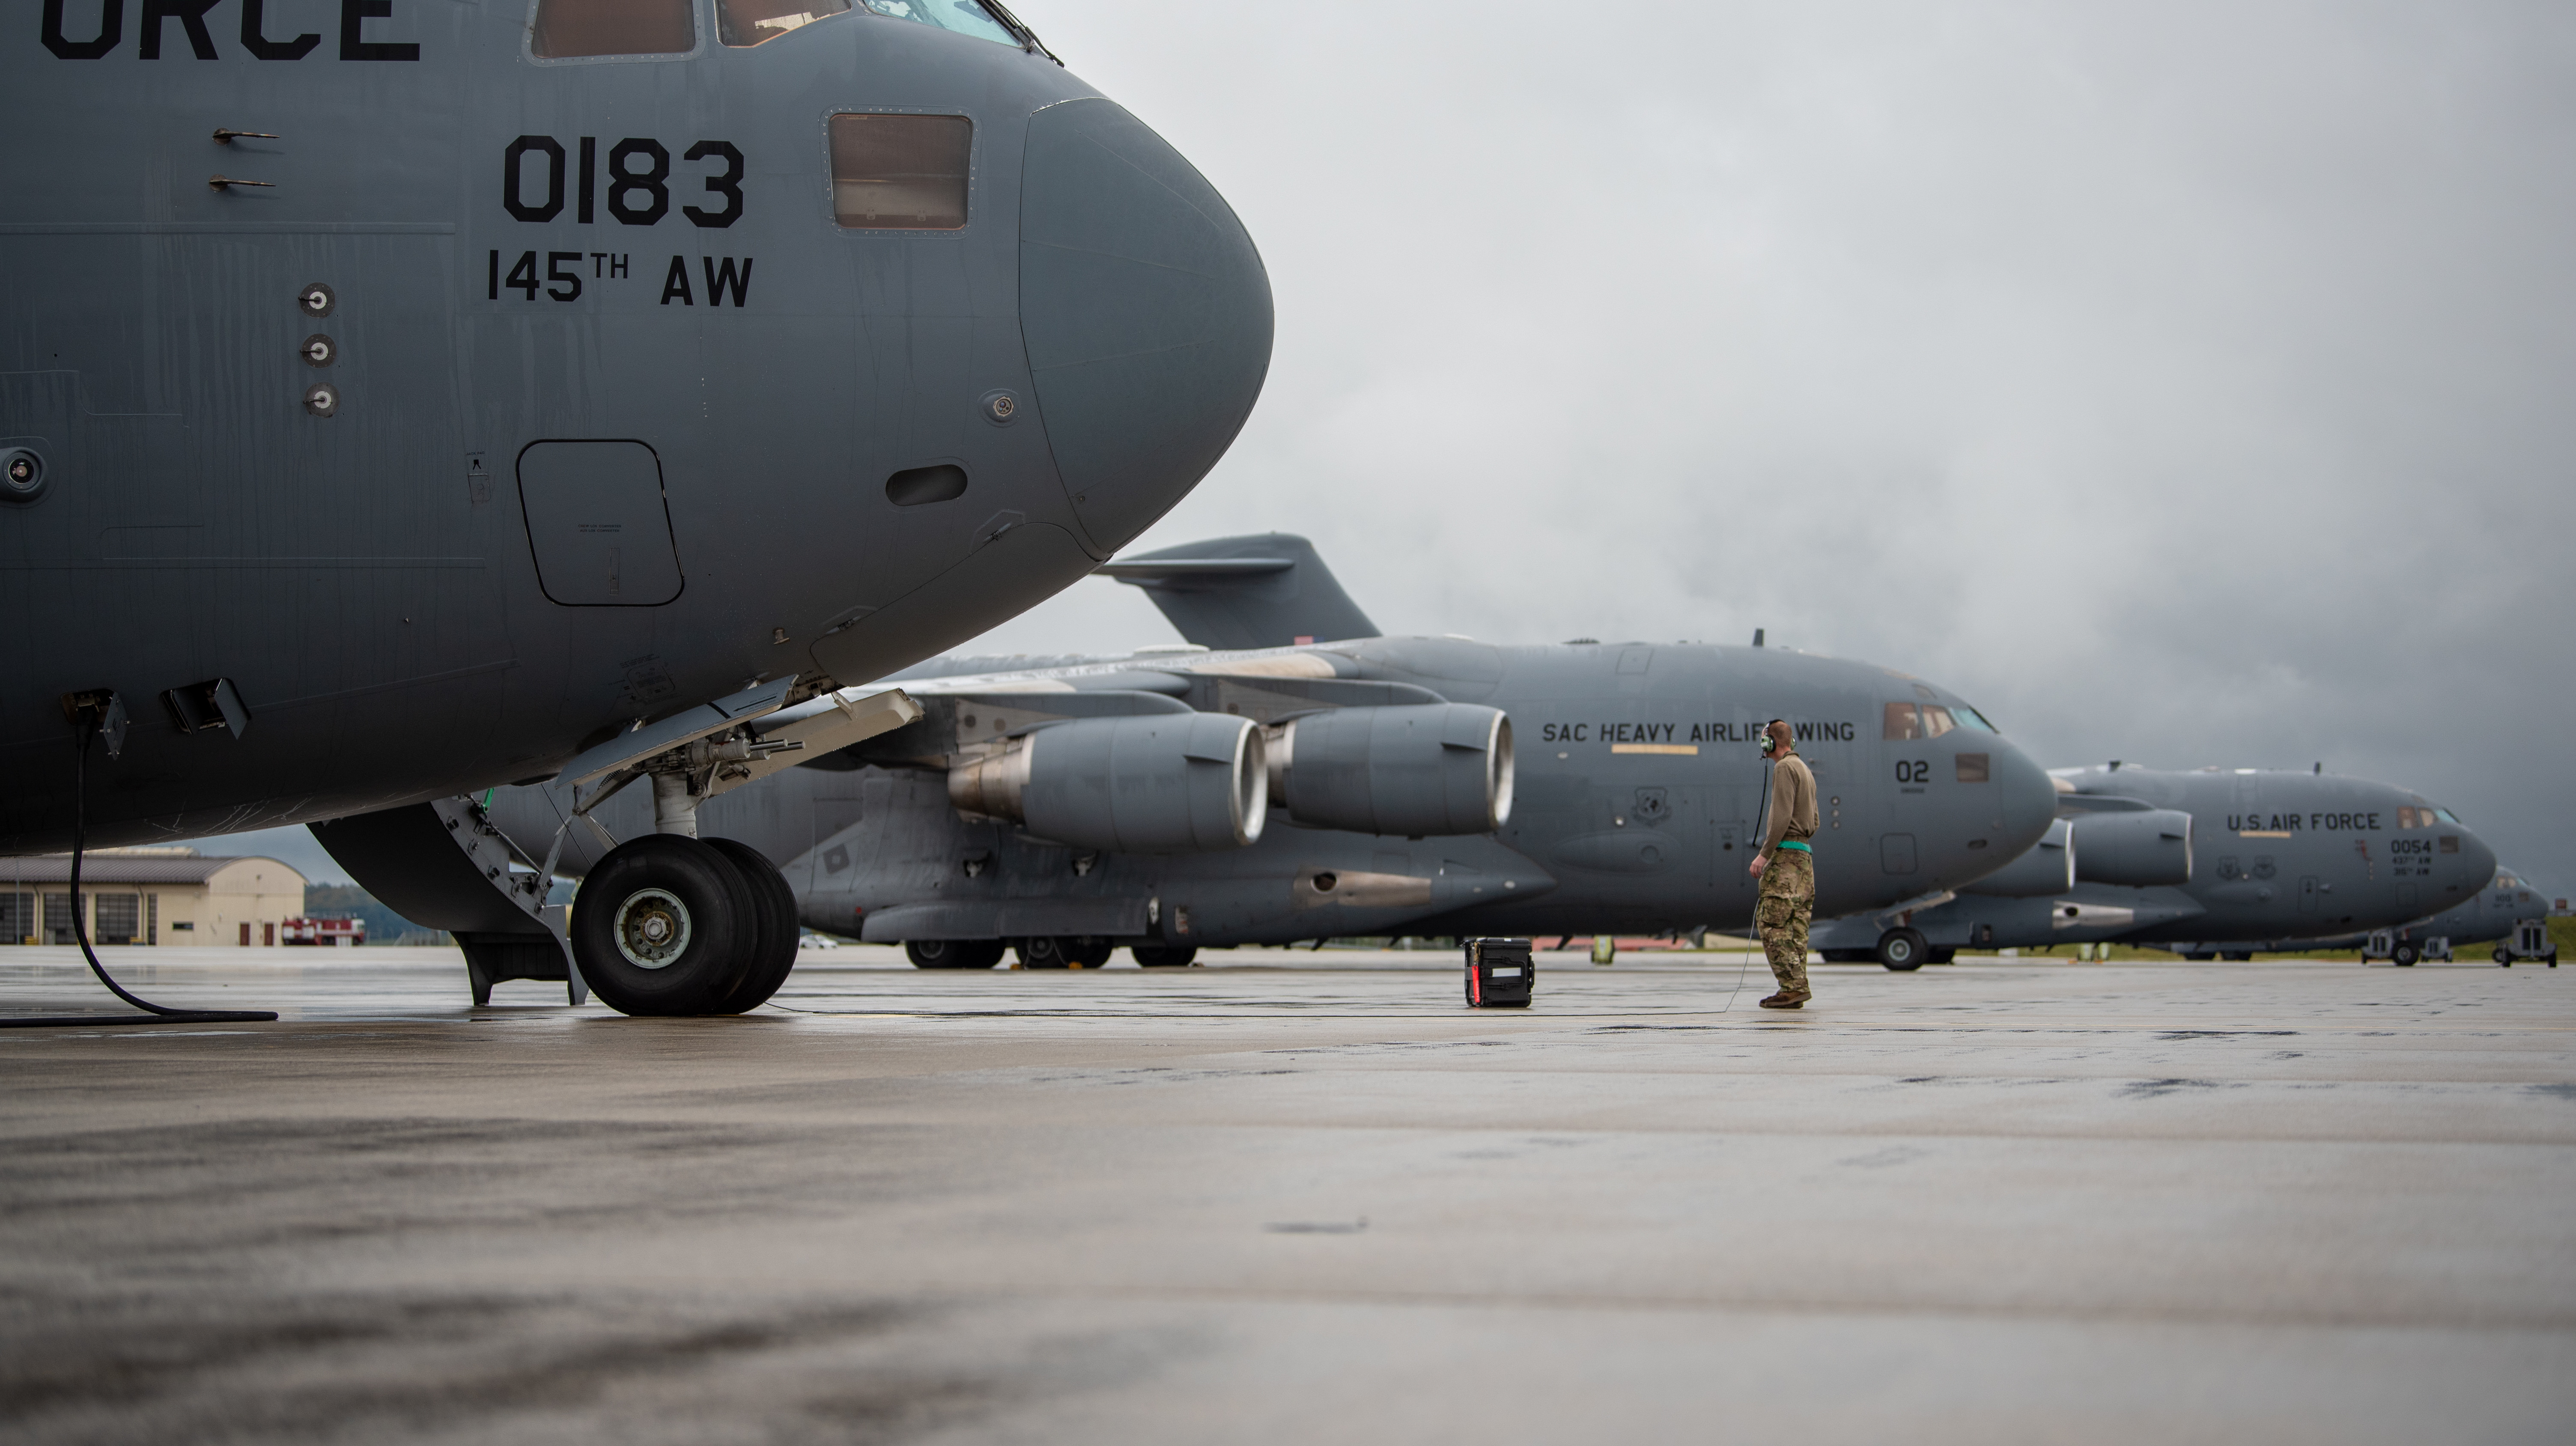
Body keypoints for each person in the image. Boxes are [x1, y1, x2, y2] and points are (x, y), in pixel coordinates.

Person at [1746, 718, 1820, 1008]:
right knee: (1796, 927)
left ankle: (1792, 986)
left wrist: (1764, 855)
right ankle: (1796, 987)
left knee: (1772, 922)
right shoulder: (1804, 769)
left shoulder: (1785, 768)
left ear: (1770, 742)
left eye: (1763, 741)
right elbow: (1815, 821)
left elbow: (1781, 817)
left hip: (1786, 858)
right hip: (1804, 858)